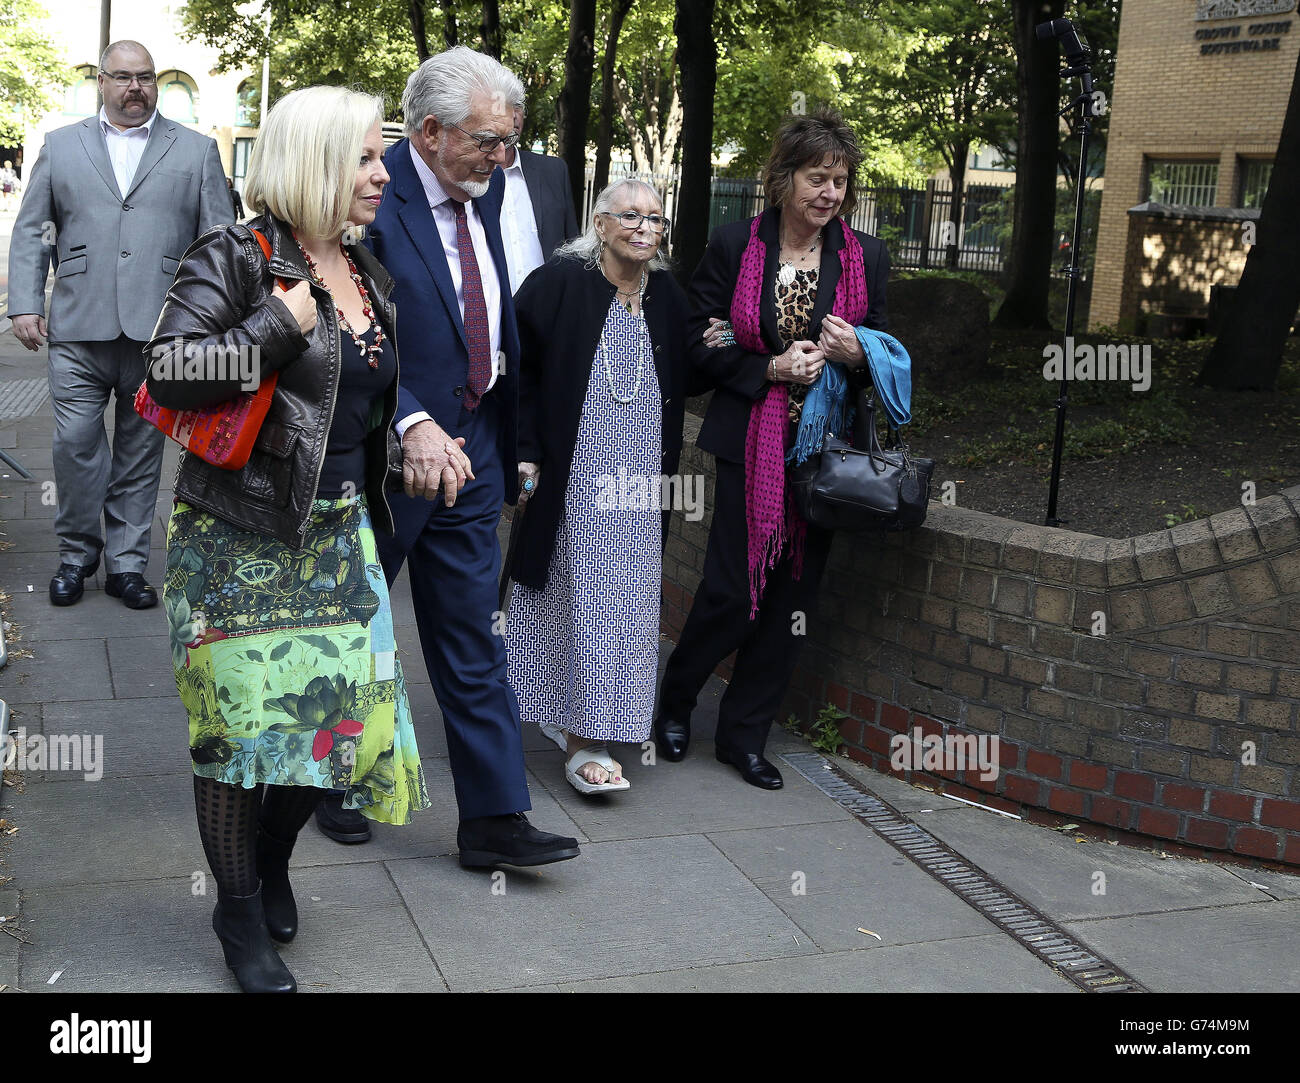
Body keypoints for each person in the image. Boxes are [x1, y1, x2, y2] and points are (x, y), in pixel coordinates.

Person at [146, 86, 429, 993]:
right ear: (311, 160)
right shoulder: (233, 255)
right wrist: (275, 324)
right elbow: (172, 371)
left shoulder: (369, 269)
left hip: (343, 541)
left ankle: (268, 860)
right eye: (364, 158)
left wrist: (419, 428)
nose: (382, 175)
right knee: (236, 738)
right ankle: (236, 911)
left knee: (335, 735)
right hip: (235, 540)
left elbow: (370, 393)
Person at [349, 46, 579, 867]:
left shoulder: (485, 194)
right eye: (488, 141)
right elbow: (343, 332)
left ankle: (493, 819)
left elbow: (492, 321)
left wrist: (510, 437)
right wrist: (407, 418)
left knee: (473, 634)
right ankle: (343, 779)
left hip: (474, 447)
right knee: (359, 624)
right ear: (430, 130)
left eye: (511, 140)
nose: (505, 158)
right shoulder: (372, 196)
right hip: (388, 452)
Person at [653, 108, 890, 790]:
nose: (829, 194)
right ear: (784, 178)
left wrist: (858, 350)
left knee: (792, 594)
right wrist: (768, 370)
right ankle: (675, 704)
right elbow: (699, 340)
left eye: (840, 181)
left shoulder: (865, 256)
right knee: (730, 589)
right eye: (818, 178)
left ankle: (743, 734)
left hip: (826, 454)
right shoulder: (735, 246)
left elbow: (886, 350)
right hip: (747, 439)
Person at [6, 40, 232, 609]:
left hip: (162, 329)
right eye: (124, 77)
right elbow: (34, 230)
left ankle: (127, 566)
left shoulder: (196, 150)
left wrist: (213, 319)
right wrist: (25, 303)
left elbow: (219, 243)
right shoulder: (60, 147)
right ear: (101, 83)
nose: (136, 88)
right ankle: (76, 555)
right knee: (75, 444)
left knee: (140, 452)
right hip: (78, 327)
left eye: (147, 78)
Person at [506, 179, 692, 794]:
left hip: (643, 477)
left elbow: (694, 362)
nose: (645, 228)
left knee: (632, 601)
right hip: (577, 470)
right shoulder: (558, 283)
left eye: (656, 219)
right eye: (631, 216)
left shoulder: (666, 294)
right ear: (601, 222)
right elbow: (517, 371)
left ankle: (597, 719)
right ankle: (587, 738)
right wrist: (526, 452)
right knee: (587, 594)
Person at [497, 97, 579, 293]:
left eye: (518, 107)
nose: (515, 115)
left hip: (548, 312)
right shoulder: (468, 177)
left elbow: (574, 248)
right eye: (506, 106)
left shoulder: (553, 171)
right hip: (490, 314)